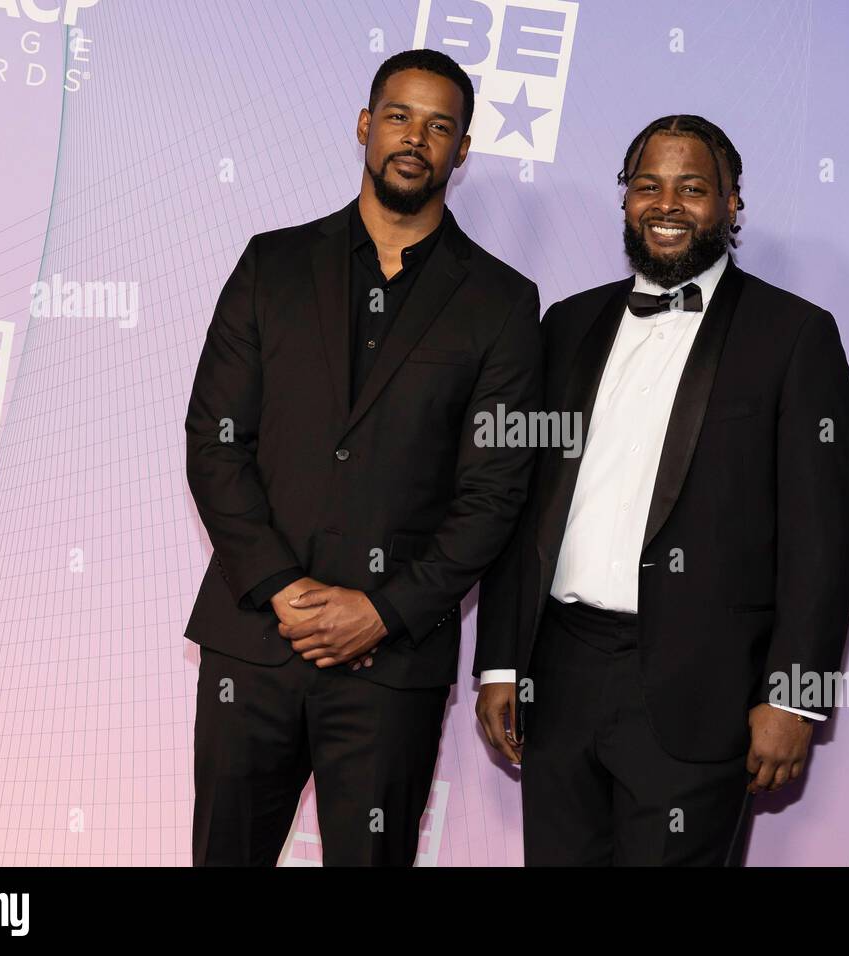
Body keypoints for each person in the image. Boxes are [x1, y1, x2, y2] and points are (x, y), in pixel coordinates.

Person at [474, 115, 849, 865]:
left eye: (693, 188)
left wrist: (794, 699)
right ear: (624, 199)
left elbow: (826, 536)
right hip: (558, 677)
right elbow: (519, 504)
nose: (667, 204)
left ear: (731, 203)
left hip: (702, 690)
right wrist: (500, 663)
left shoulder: (793, 336)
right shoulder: (568, 323)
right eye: (648, 185)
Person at [185, 49, 541, 866]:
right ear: (363, 126)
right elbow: (214, 440)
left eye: (439, 125)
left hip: (392, 665)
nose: (415, 138)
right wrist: (283, 587)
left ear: (462, 149)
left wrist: (380, 611)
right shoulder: (270, 264)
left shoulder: (501, 303)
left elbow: (493, 494)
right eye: (399, 116)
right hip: (253, 644)